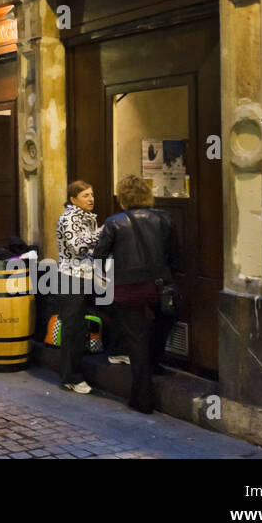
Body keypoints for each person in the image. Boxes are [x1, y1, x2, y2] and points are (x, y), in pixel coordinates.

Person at [92, 175, 181, 414]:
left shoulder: (114, 222)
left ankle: (143, 398)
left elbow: (99, 256)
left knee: (135, 339)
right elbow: (175, 257)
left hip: (127, 289)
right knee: (165, 321)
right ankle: (154, 363)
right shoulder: (165, 218)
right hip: (158, 286)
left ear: (122, 197)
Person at [56, 180, 102, 394]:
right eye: (85, 195)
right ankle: (70, 377)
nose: (91, 199)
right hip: (71, 277)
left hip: (88, 275)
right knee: (72, 329)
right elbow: (76, 247)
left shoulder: (87, 217)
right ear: (74, 199)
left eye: (92, 194)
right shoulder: (69, 217)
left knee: (82, 326)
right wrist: (101, 233)